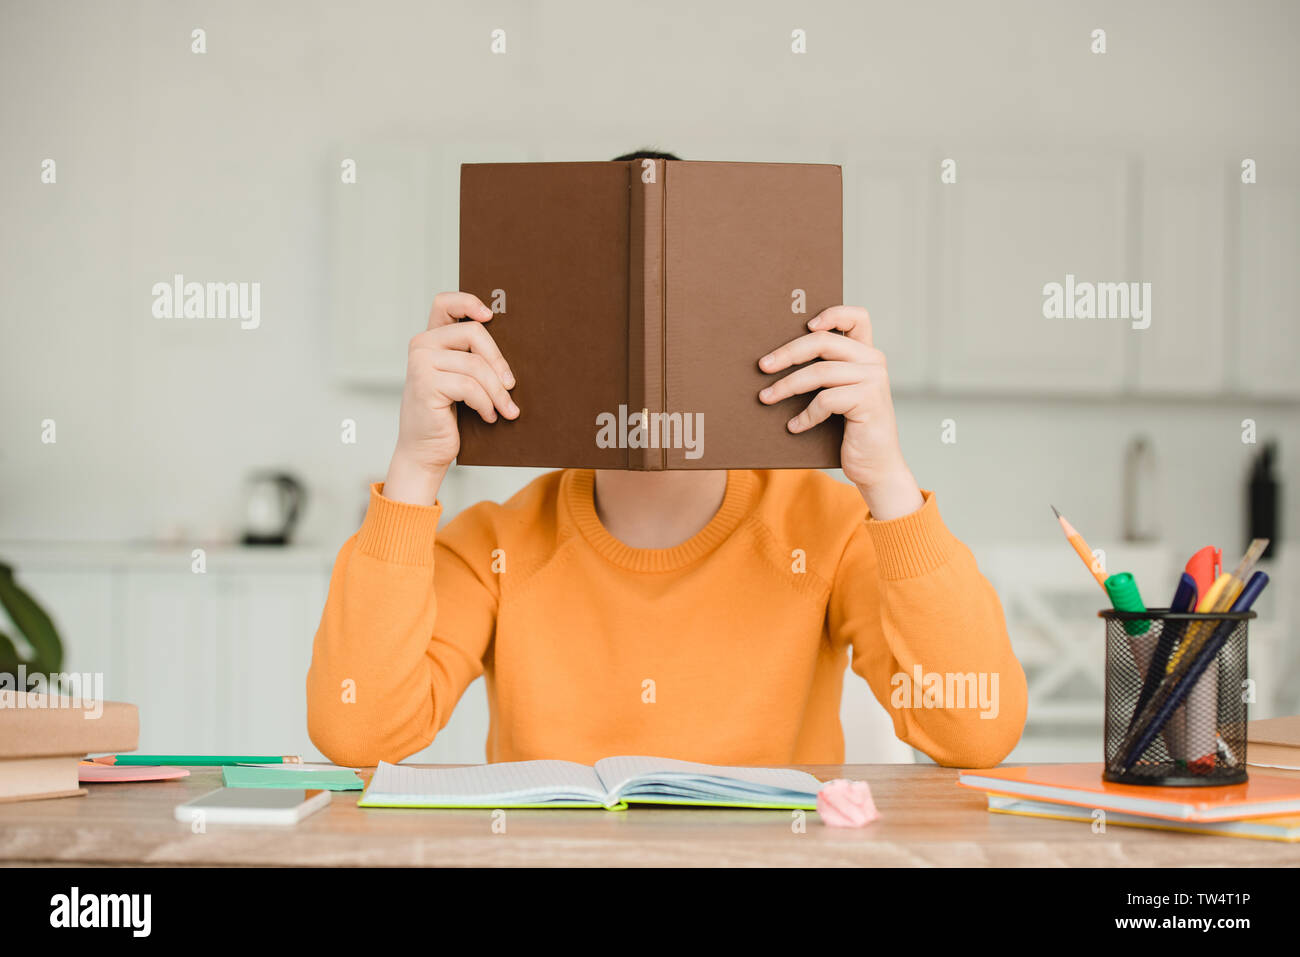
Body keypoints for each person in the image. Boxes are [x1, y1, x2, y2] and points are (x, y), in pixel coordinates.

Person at [307, 150, 1027, 769]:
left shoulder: (831, 533)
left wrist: (887, 480)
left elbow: (977, 727)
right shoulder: (496, 544)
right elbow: (358, 731)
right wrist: (414, 466)